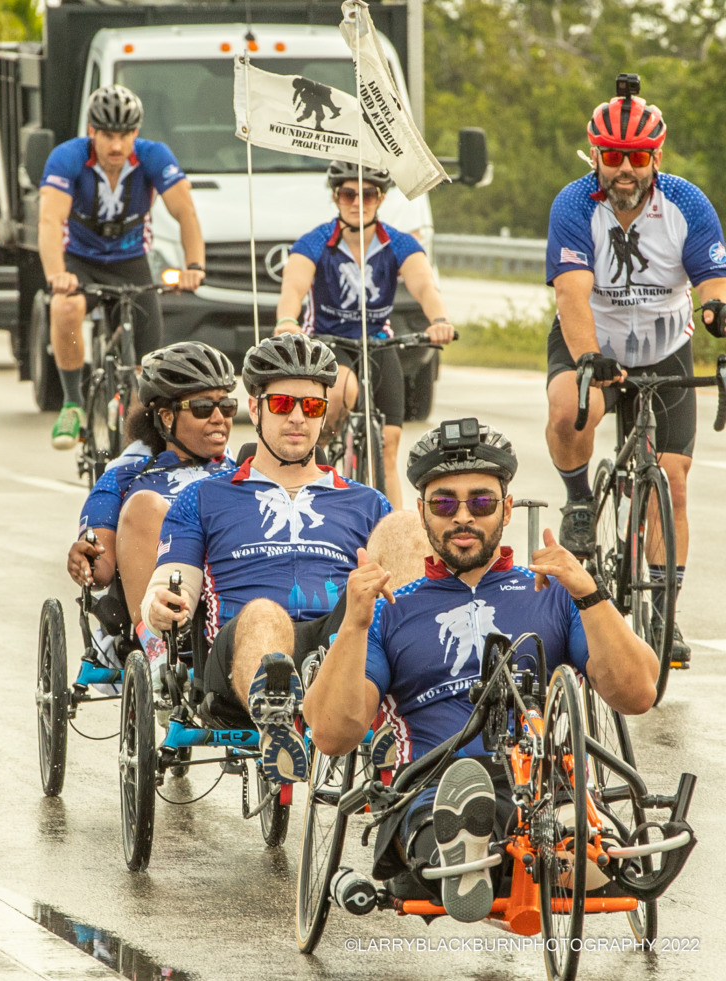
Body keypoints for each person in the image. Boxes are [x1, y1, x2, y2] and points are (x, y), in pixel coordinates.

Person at [303, 420, 658, 922]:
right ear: (423, 513)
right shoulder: (389, 612)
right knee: (452, 813)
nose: (463, 517)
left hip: (543, 790)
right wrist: (354, 624)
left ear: (507, 510)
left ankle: (537, 853)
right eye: (444, 504)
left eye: (482, 502)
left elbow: (638, 693)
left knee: (563, 826)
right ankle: (472, 851)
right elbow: (332, 735)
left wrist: (589, 591)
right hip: (434, 789)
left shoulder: (553, 595)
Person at [141, 333, 427, 784]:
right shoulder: (204, 496)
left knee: (407, 525)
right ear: (255, 410)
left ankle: (405, 704)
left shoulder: (365, 501)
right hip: (242, 652)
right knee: (264, 614)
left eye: (311, 406)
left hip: (339, 647)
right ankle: (276, 728)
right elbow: (172, 579)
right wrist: (159, 603)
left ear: (324, 413)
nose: (297, 417)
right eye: (281, 404)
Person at [544, 76, 726, 670]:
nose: (625, 168)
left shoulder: (687, 204)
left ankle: (665, 610)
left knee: (672, 480)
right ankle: (579, 502)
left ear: (657, 158)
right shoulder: (575, 204)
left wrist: (716, 311)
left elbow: (713, 282)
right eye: (614, 155)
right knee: (571, 409)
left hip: (665, 344)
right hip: (592, 338)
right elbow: (572, 293)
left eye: (638, 157)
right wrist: (589, 358)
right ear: (596, 154)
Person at [275, 161, 455, 510]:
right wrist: (286, 320)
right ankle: (317, 461)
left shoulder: (398, 242)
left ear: (381, 198)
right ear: (336, 197)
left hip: (377, 341)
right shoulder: (315, 241)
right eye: (348, 194)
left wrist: (439, 320)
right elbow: (293, 287)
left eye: (368, 194)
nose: (358, 202)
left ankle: (392, 529)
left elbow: (424, 285)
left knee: (389, 443)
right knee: (343, 389)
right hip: (328, 342)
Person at [39, 84, 207, 451]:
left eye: (125, 135)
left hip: (130, 261)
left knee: (146, 364)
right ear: (92, 132)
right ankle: (72, 402)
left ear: (136, 133)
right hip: (79, 260)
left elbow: (185, 212)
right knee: (65, 307)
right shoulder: (68, 157)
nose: (116, 145)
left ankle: (132, 438)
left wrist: (194, 265)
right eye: (107, 136)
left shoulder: (153, 156)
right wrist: (56, 276)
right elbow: (50, 220)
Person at [69, 342, 236, 653]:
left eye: (226, 406)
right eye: (203, 407)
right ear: (167, 417)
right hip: (165, 613)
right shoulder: (124, 477)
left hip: (233, 612)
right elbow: (101, 570)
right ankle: (157, 649)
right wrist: (86, 560)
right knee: (145, 505)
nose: (219, 418)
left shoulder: (242, 471)